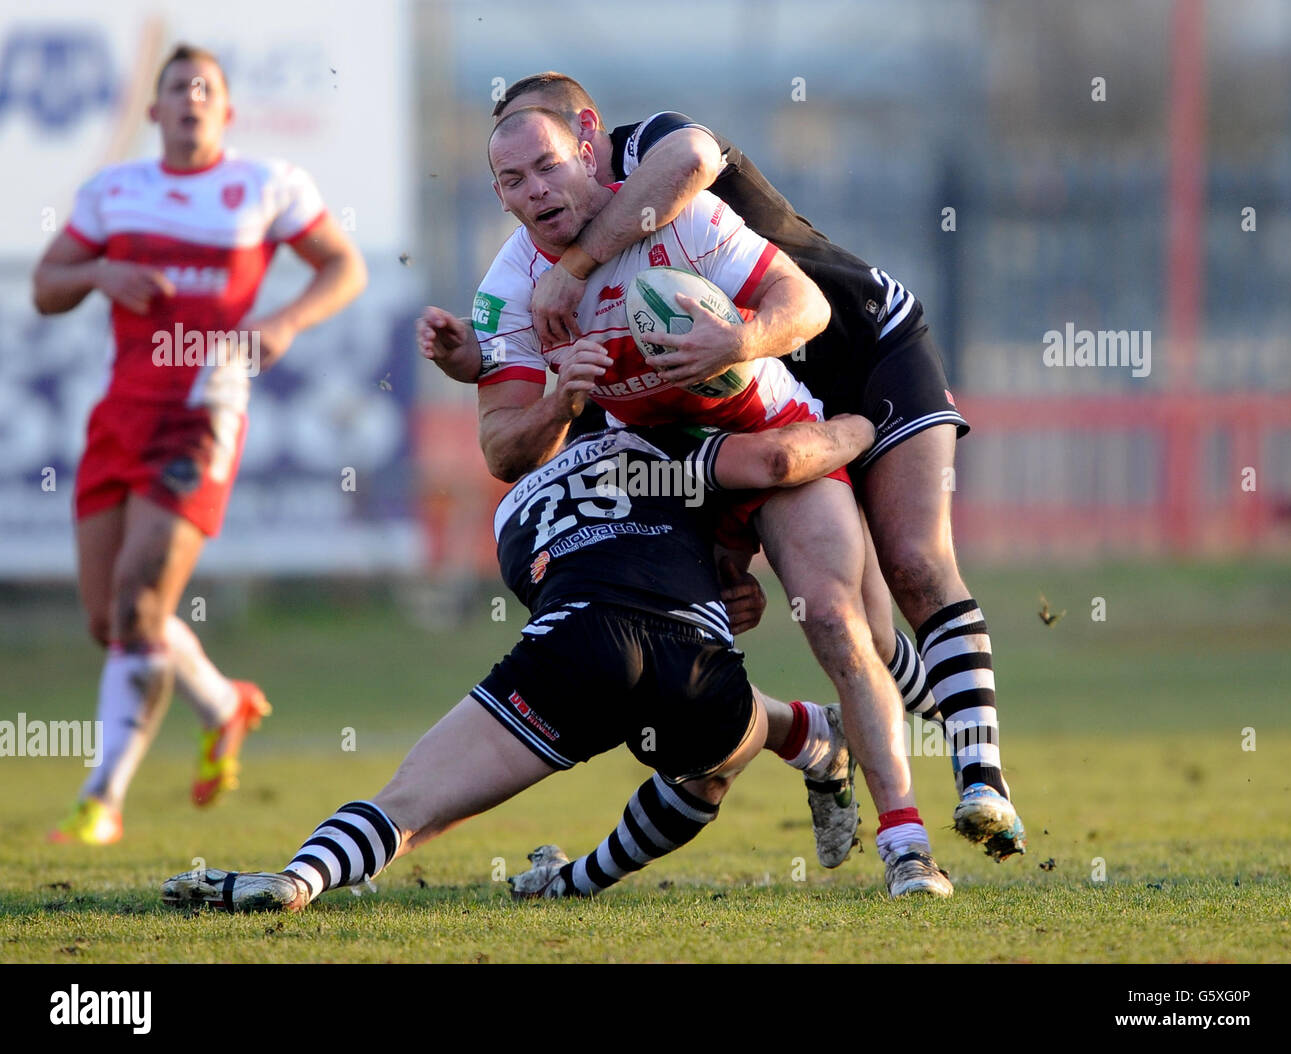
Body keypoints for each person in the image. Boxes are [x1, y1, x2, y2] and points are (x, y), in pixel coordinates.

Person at [430, 73, 1024, 861]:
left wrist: (573, 271)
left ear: (588, 136)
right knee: (856, 629)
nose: (536, 189)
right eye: (512, 177)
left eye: (547, 160)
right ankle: (852, 748)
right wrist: (484, 362)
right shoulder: (514, 286)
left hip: (851, 345)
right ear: (498, 190)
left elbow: (696, 155)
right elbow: (543, 433)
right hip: (744, 391)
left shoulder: (647, 155)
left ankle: (981, 777)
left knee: (914, 560)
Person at [161, 412, 951, 911]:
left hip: (577, 650)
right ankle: (807, 737)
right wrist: (853, 426)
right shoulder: (670, 442)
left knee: (411, 807)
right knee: (704, 770)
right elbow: (771, 473)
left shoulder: (508, 513)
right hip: (696, 660)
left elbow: (572, 565)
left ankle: (299, 878)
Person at [30, 44, 367, 844]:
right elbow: (48, 286)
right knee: (111, 624)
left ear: (226, 111)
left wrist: (285, 320)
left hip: (203, 411)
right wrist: (99, 275)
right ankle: (223, 704)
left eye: (205, 88)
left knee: (141, 608)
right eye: (177, 87)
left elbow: (344, 267)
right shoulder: (115, 191)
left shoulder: (263, 185)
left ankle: (100, 802)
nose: (191, 98)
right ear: (153, 112)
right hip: (120, 415)